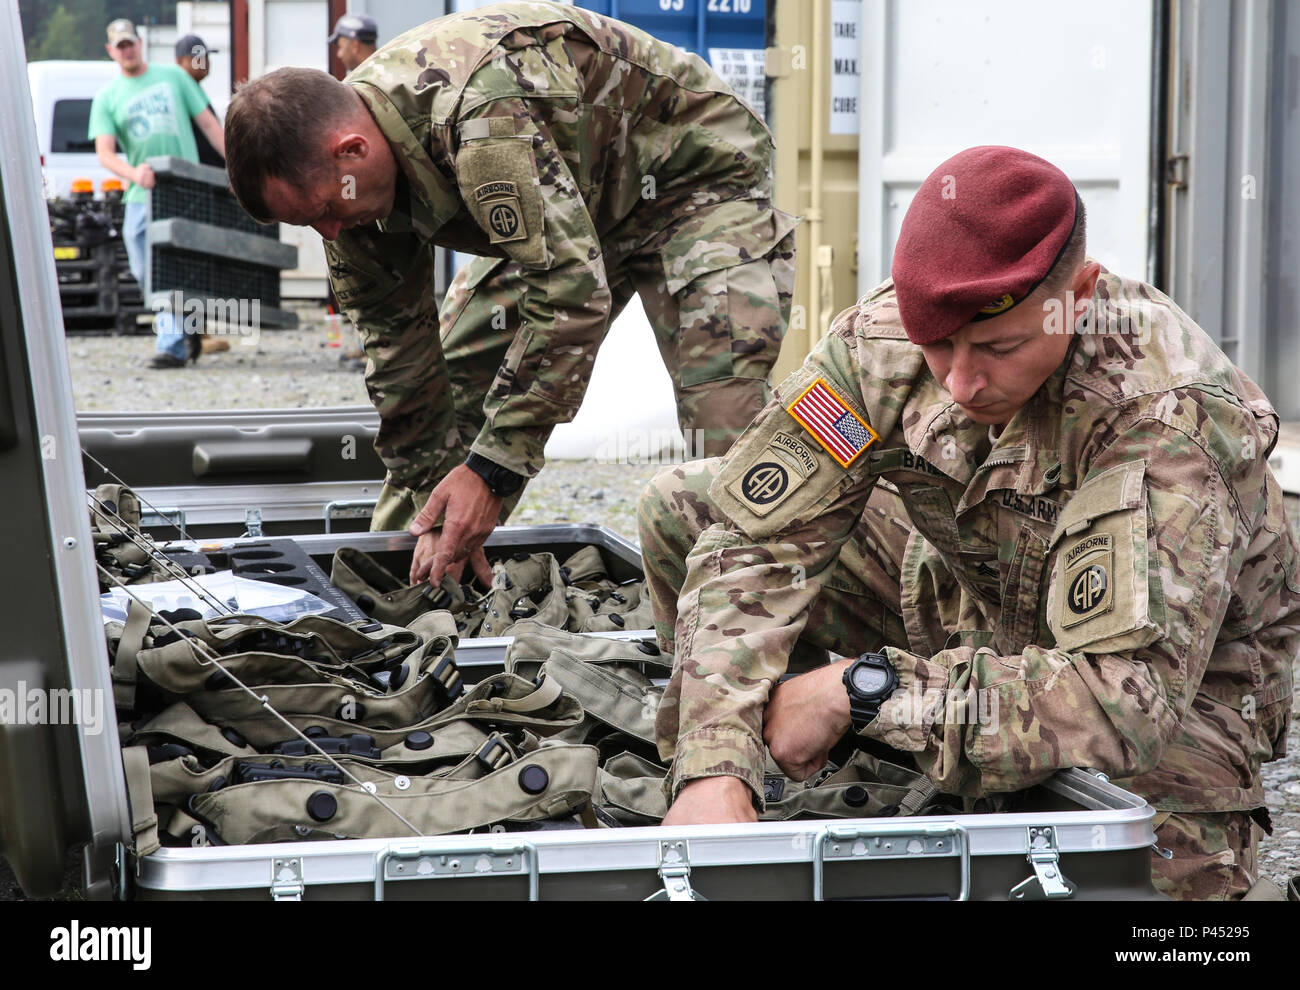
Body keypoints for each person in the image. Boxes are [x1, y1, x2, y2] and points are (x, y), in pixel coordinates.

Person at [637, 145, 1298, 901]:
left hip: (1166, 694)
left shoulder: (1166, 416)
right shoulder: (882, 342)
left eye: (999, 347)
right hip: (982, 603)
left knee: (1134, 892)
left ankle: (877, 729)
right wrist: (716, 762)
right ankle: (820, 766)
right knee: (687, 507)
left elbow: (1123, 699)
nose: (959, 381)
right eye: (937, 345)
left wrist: (861, 692)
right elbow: (758, 541)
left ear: (1077, 296)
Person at [224, 1, 797, 588]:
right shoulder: (342, 192)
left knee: (724, 418)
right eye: (309, 224)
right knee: (457, 391)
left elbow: (570, 297)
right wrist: (435, 506)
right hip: (565, 201)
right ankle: (404, 587)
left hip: (690, 179)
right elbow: (400, 357)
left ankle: (773, 621)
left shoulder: (479, 117)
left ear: (352, 150)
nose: (329, 233)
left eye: (324, 211)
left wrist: (492, 473)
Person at [89, 18, 226, 369]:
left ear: (140, 44)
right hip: (142, 190)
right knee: (142, 266)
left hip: (184, 187)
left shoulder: (175, 77)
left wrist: (238, 167)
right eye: (120, 46)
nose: (127, 50)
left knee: (182, 265)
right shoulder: (107, 97)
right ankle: (186, 329)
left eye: (131, 43)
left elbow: (210, 126)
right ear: (111, 52)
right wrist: (134, 172)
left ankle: (173, 345)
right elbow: (104, 153)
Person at [174, 33, 226, 169]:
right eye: (198, 57)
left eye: (206, 56)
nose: (205, 61)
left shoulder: (195, 90)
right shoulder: (178, 93)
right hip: (196, 176)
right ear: (180, 62)